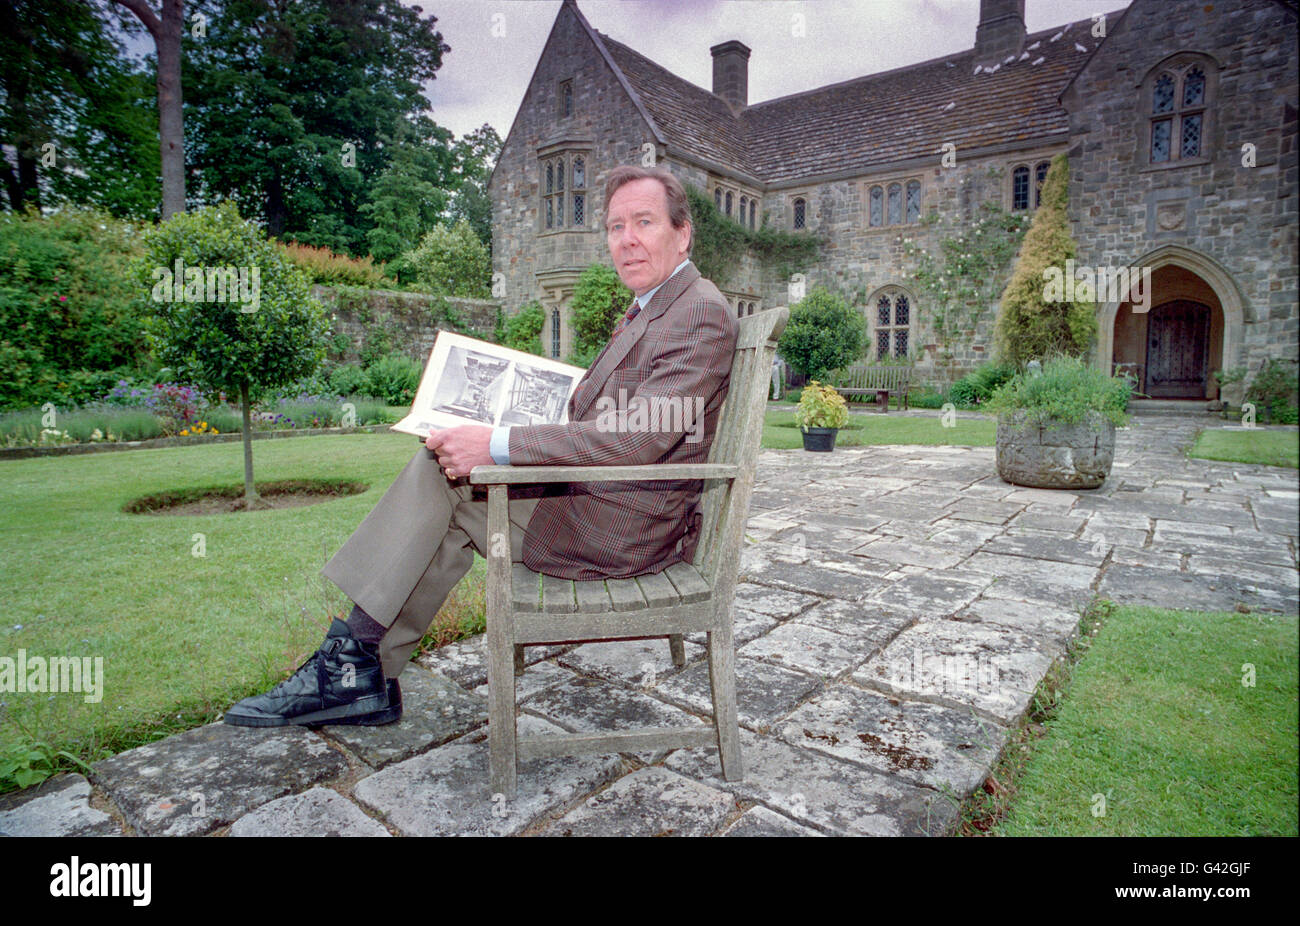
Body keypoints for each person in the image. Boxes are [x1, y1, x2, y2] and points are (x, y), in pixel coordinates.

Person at [224, 165, 739, 727]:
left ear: (682, 233)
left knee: (441, 476)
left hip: (623, 527)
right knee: (446, 474)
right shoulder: (660, 305)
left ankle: (349, 670)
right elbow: (616, 417)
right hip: (605, 500)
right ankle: (360, 669)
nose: (627, 239)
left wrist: (496, 441)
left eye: (644, 222)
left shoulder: (698, 310)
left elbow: (637, 439)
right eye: (616, 227)